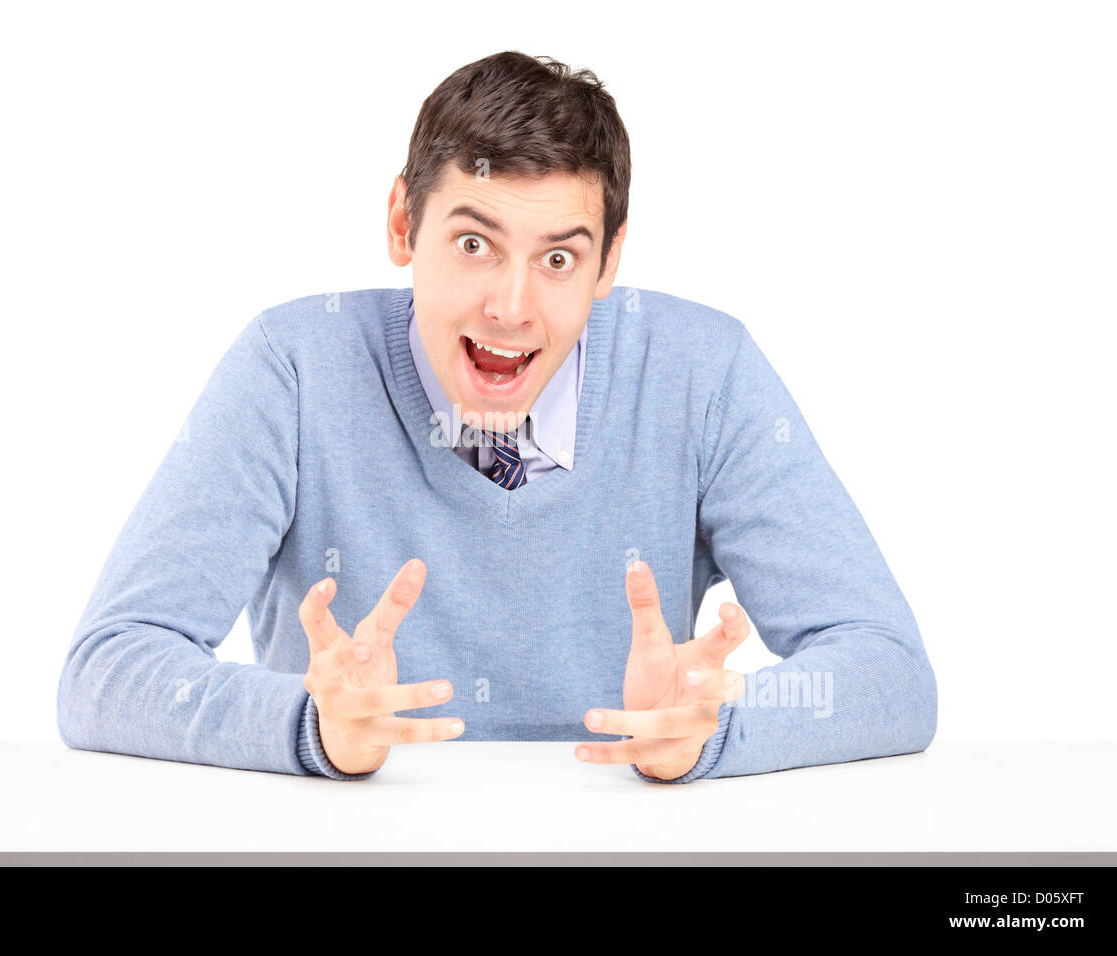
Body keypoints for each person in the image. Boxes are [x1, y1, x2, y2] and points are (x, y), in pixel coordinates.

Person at [56, 50, 937, 783]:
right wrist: (312, 725)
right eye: (474, 244)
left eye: (559, 256)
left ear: (608, 262)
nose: (512, 307)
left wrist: (715, 730)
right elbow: (106, 669)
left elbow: (890, 673)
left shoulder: (704, 373)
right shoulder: (293, 367)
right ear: (404, 222)